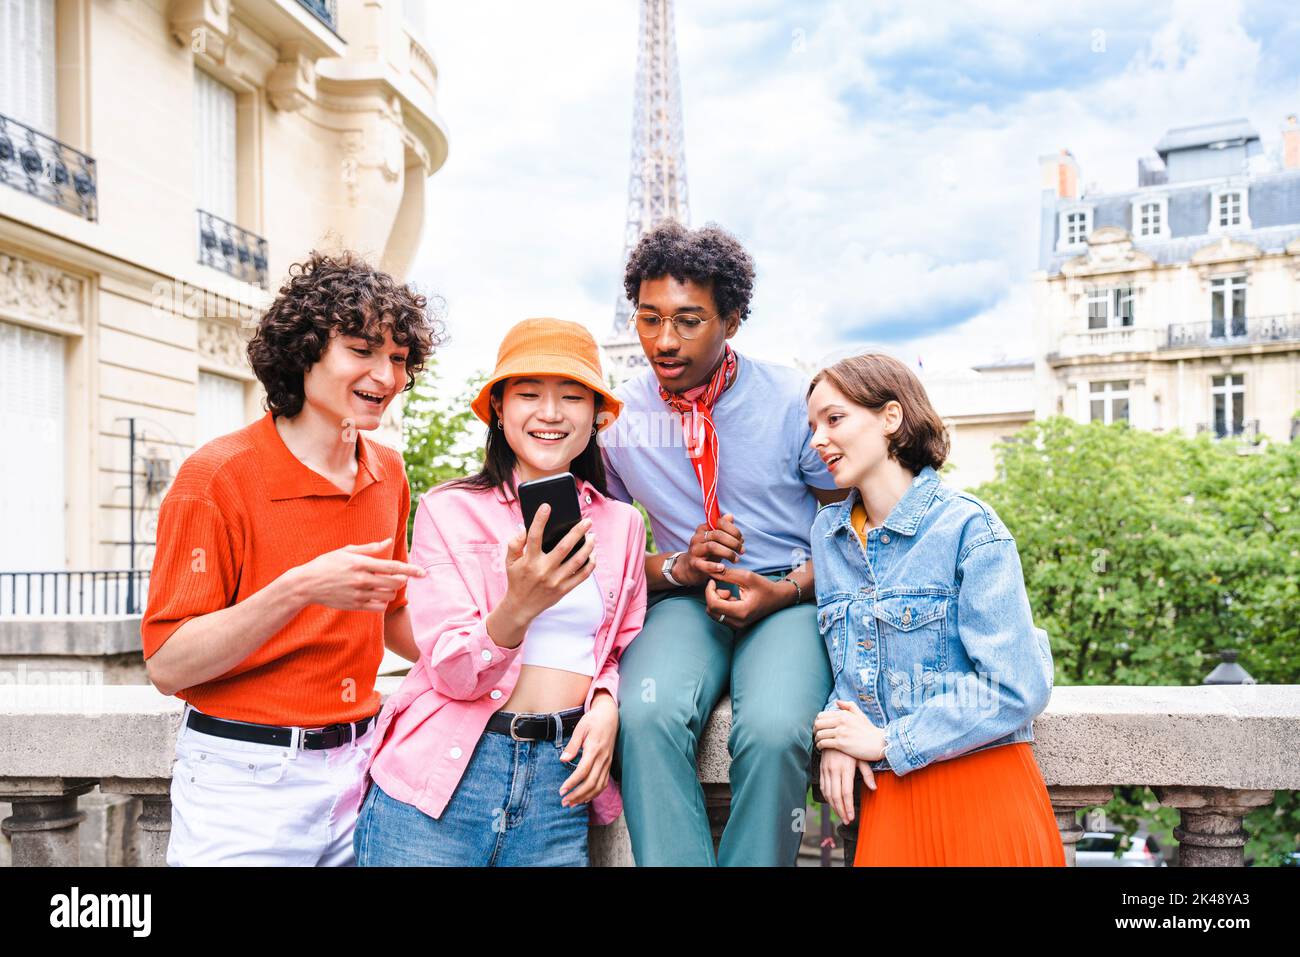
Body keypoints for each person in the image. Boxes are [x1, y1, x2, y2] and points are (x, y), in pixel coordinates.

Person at [141, 250, 438, 866]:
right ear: (303, 351)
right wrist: (298, 588)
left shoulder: (388, 471)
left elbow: (395, 616)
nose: (386, 376)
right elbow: (169, 665)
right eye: (362, 350)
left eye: (400, 359)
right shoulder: (216, 477)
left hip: (365, 772)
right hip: (244, 787)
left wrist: (507, 635)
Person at [353, 318, 648, 867]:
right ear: (498, 410)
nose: (551, 413)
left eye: (573, 397)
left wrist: (606, 705)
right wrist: (518, 606)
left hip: (561, 784)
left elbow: (617, 648)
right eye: (529, 394)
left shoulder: (623, 524)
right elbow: (450, 671)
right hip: (443, 780)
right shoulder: (448, 510)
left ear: (596, 415)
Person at [600, 221, 847, 866]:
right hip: (685, 599)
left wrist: (785, 590)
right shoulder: (617, 420)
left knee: (772, 730)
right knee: (644, 718)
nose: (665, 341)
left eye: (689, 320)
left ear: (732, 320)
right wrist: (678, 565)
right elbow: (605, 551)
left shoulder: (797, 401)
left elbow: (856, 532)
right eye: (649, 320)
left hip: (789, 595)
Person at [806, 352, 1064, 866]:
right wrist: (837, 731)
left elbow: (1017, 685)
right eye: (812, 425)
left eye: (833, 419)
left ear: (891, 417)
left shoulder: (970, 528)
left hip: (984, 795)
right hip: (890, 804)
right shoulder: (829, 536)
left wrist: (886, 741)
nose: (817, 439)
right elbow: (851, 664)